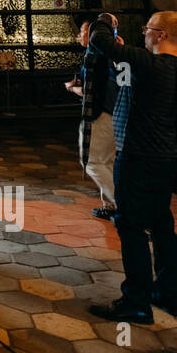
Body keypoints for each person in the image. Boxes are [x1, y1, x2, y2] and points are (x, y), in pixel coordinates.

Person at [86, 10, 177, 325]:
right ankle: (168, 294)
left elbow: (99, 40)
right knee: (161, 225)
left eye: (147, 28)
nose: (144, 32)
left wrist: (105, 19)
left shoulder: (149, 65)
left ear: (160, 35)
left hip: (138, 159)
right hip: (167, 160)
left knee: (130, 226)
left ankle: (136, 301)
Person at [66, 19, 120, 220]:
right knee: (107, 161)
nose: (80, 34)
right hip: (111, 113)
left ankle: (121, 204)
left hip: (101, 115)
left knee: (93, 163)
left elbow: (96, 91)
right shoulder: (103, 55)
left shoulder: (98, 57)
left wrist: (73, 88)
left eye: (83, 30)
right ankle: (110, 205)